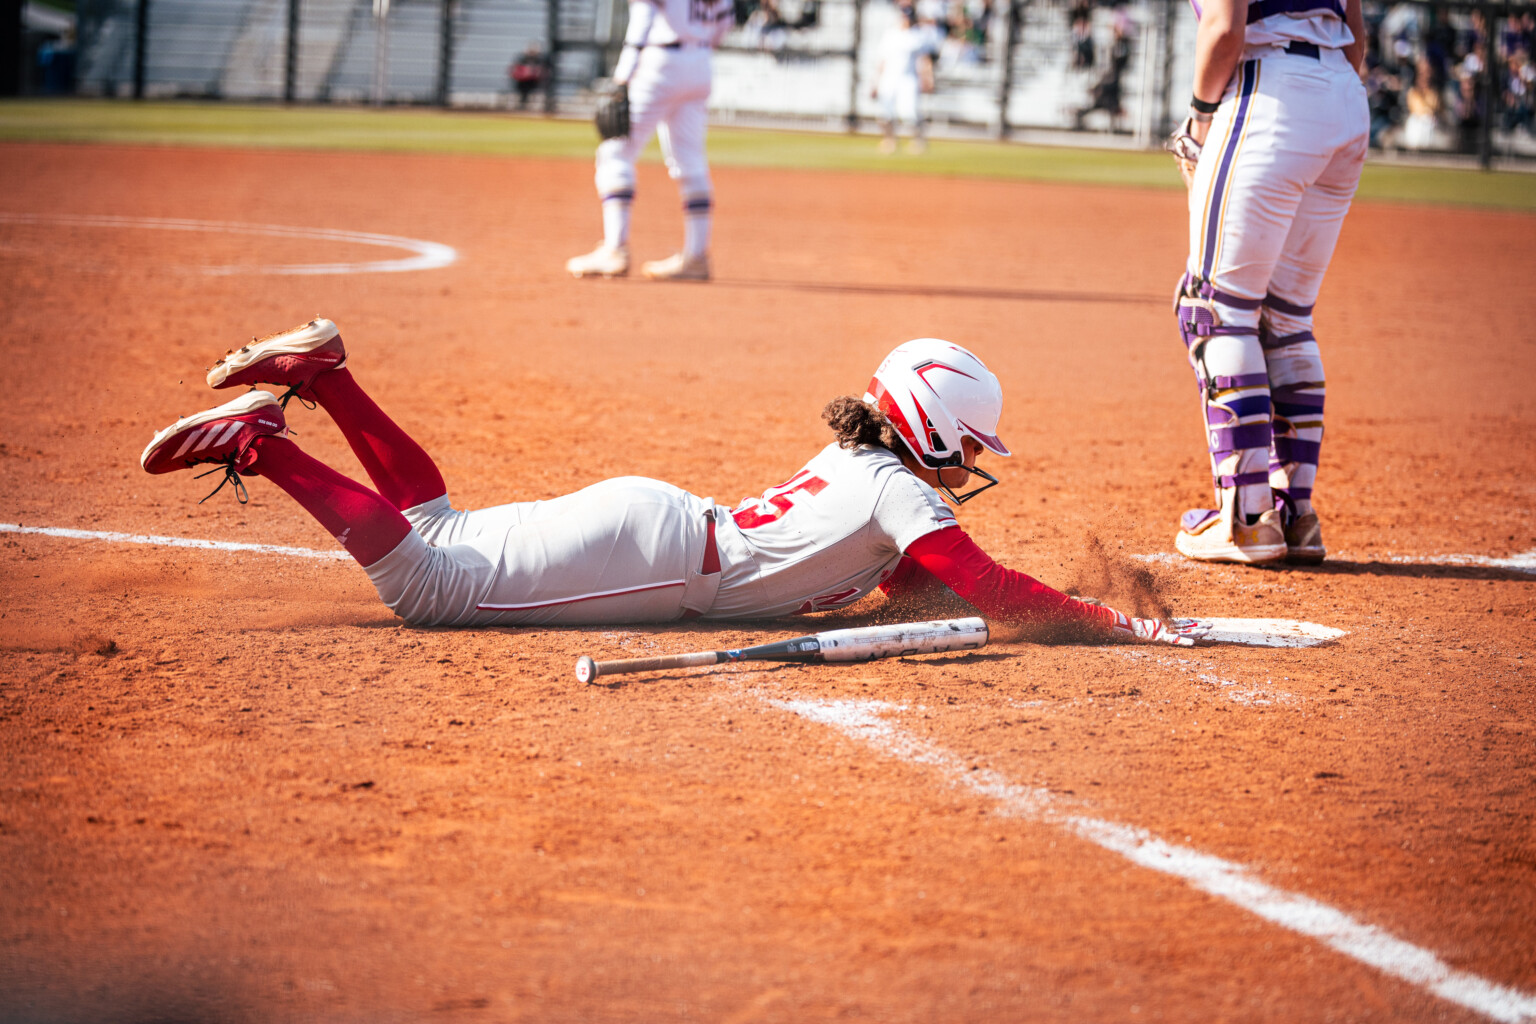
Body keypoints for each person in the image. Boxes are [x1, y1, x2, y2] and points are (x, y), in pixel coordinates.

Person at [140, 319, 1203, 646]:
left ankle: (330, 378)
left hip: (656, 528)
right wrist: (1123, 623)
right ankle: (264, 444)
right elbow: (991, 588)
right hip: (654, 552)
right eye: (968, 444)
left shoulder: (864, 459)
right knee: (428, 583)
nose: (970, 465)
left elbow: (909, 581)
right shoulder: (905, 496)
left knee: (434, 522)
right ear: (929, 426)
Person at [1164, 0, 1368, 565]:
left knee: (1213, 308)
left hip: (1268, 88)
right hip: (1344, 95)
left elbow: (1225, 26)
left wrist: (1201, 119)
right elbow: (1356, 36)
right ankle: (1295, 514)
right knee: (1287, 316)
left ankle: (1247, 519)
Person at [565, 0, 735, 283]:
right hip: (701, 63)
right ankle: (696, 257)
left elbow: (642, 20)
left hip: (660, 63)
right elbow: (723, 27)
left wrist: (621, 80)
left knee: (615, 152)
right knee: (691, 162)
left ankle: (614, 249)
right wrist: (698, 46)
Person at [871, 4, 938, 154]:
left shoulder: (918, 35)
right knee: (884, 112)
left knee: (909, 112)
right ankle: (889, 140)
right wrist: (875, 81)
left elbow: (924, 59)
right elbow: (882, 60)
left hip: (908, 78)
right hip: (889, 77)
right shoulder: (891, 34)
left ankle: (918, 140)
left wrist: (928, 78)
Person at [508, 43, 548, 110]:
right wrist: (523, 74)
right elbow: (514, 70)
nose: (532, 53)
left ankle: (526, 103)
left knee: (530, 87)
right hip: (522, 82)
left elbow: (544, 71)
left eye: (533, 51)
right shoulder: (522, 59)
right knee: (523, 87)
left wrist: (536, 73)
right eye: (531, 51)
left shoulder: (540, 60)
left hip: (534, 82)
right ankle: (522, 103)